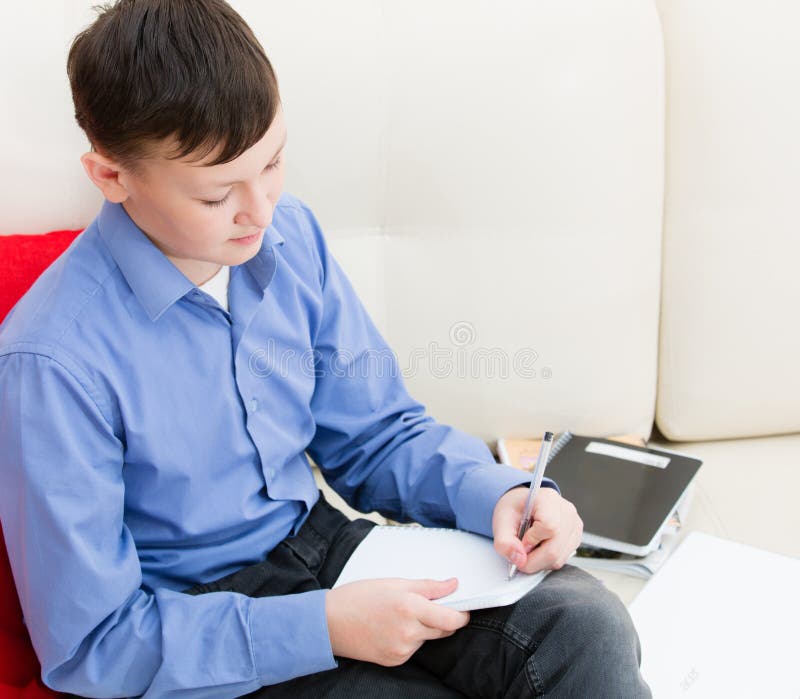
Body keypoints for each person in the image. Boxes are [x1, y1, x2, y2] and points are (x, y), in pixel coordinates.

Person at [0, 1, 651, 697]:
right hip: (199, 617)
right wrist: (322, 627)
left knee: (586, 627)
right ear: (111, 177)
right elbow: (93, 645)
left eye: (273, 162)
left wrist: (497, 495)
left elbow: (375, 433)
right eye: (219, 194)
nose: (262, 209)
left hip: (324, 543)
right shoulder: (50, 365)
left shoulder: (290, 238)